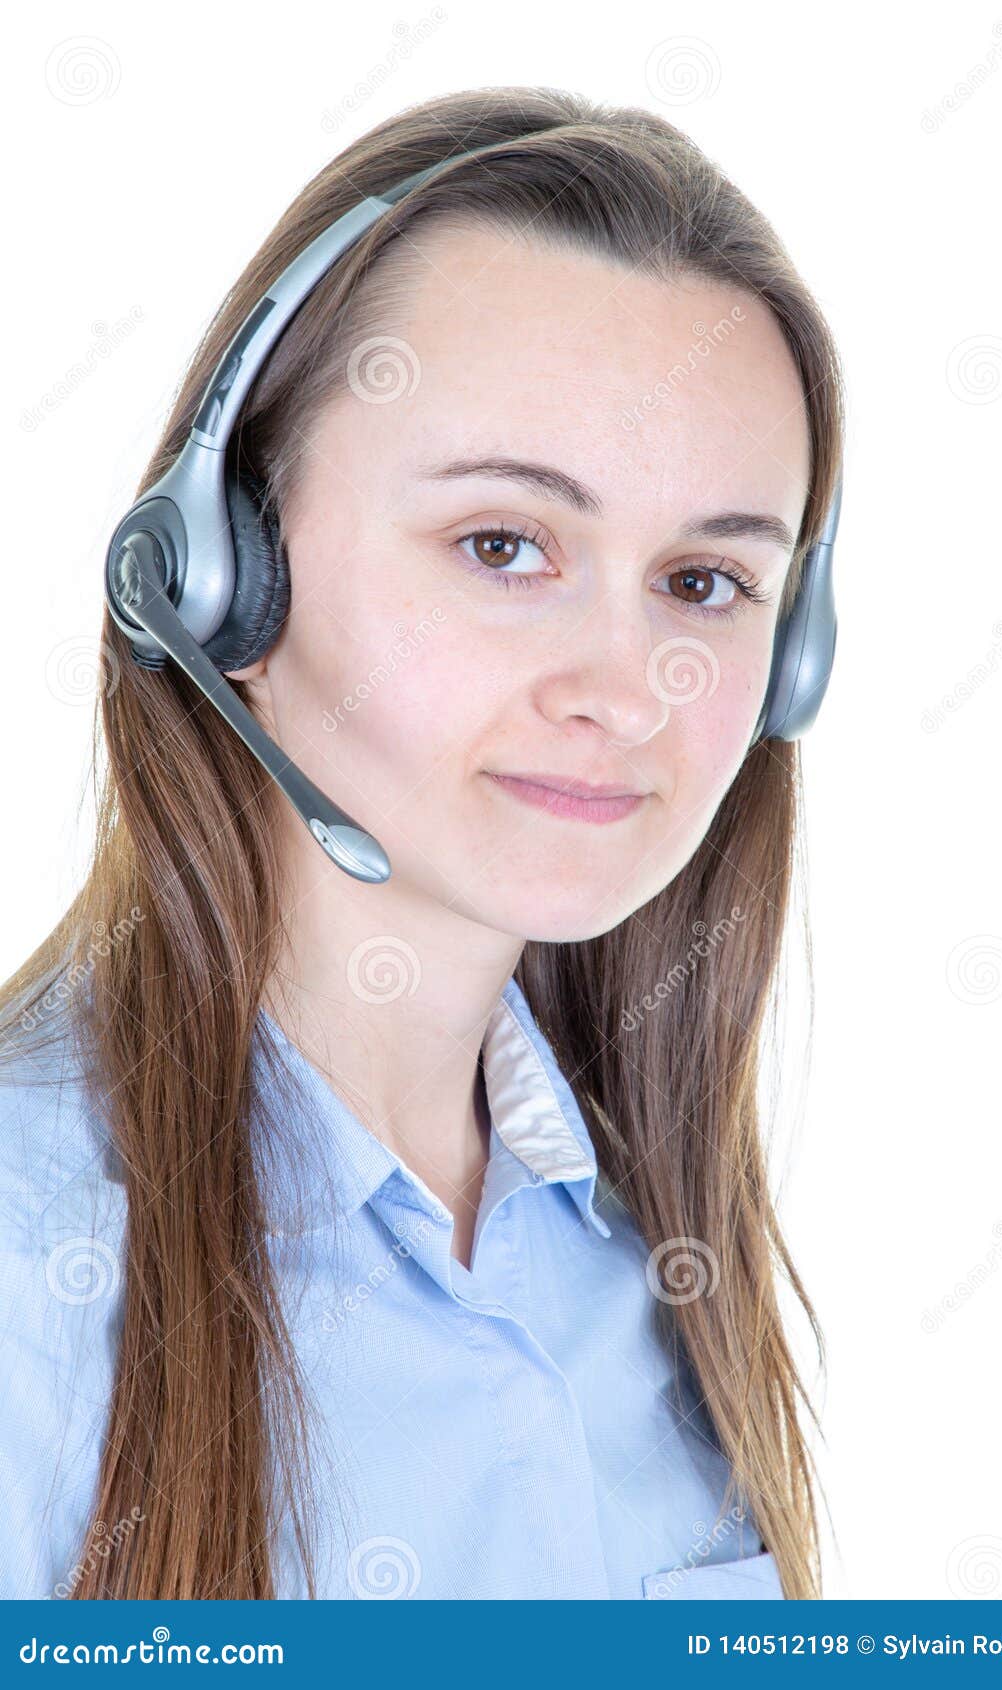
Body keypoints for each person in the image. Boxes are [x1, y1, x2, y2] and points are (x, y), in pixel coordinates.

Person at [0, 83, 844, 1601]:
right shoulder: (29, 1260)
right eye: (503, 546)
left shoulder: (652, 1255)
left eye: (704, 583)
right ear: (221, 579)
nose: (625, 690)